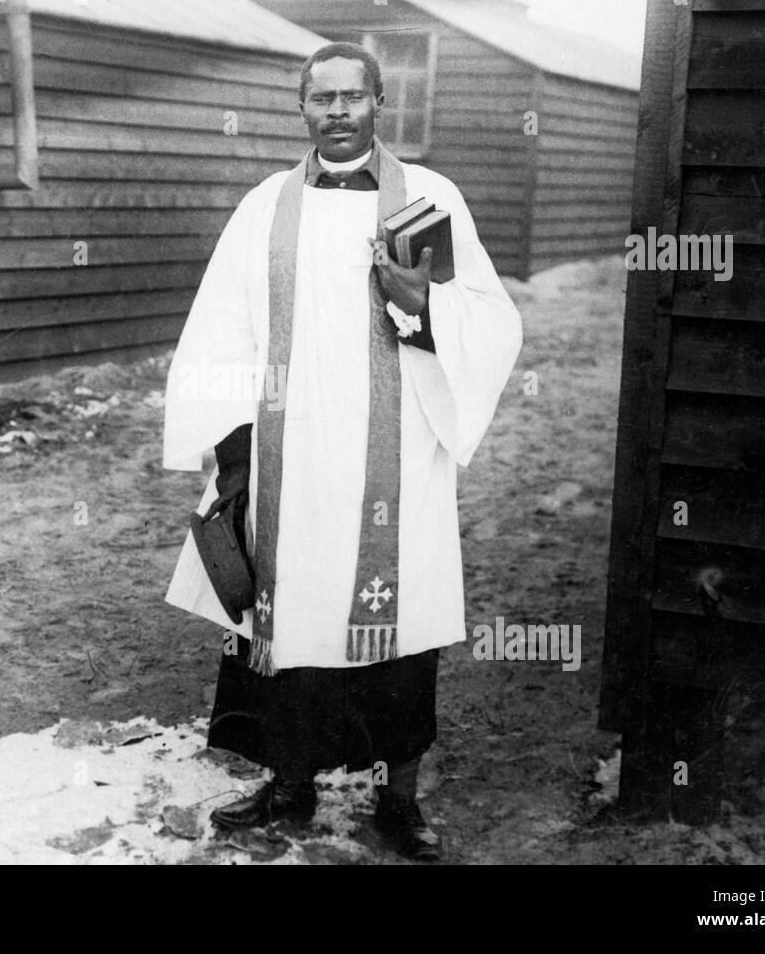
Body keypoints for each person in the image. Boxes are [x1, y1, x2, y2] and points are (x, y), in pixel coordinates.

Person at [163, 42, 522, 861]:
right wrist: (226, 440)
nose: (335, 112)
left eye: (351, 98)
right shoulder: (264, 206)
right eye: (319, 98)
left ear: (378, 103)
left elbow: (493, 320)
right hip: (290, 449)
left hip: (394, 453)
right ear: (300, 107)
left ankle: (401, 800)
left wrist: (423, 304)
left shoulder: (429, 198)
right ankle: (290, 783)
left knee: (398, 617)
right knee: (286, 613)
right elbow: (223, 323)